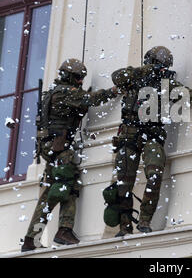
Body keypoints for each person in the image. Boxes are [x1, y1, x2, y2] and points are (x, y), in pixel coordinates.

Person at [21, 59, 118, 252]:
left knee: (51, 190)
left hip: (51, 148)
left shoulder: (54, 92)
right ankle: (63, 231)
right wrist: (113, 91)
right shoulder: (65, 92)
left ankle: (33, 237)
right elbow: (91, 99)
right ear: (68, 76)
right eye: (78, 77)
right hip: (59, 148)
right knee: (66, 186)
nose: (80, 81)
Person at [111, 46, 192, 235]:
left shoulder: (165, 83)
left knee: (154, 175)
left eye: (164, 67)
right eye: (159, 66)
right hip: (129, 136)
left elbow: (185, 94)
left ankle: (145, 219)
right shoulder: (133, 78)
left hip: (152, 136)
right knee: (124, 184)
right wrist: (142, 72)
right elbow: (117, 77)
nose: (161, 70)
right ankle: (124, 225)